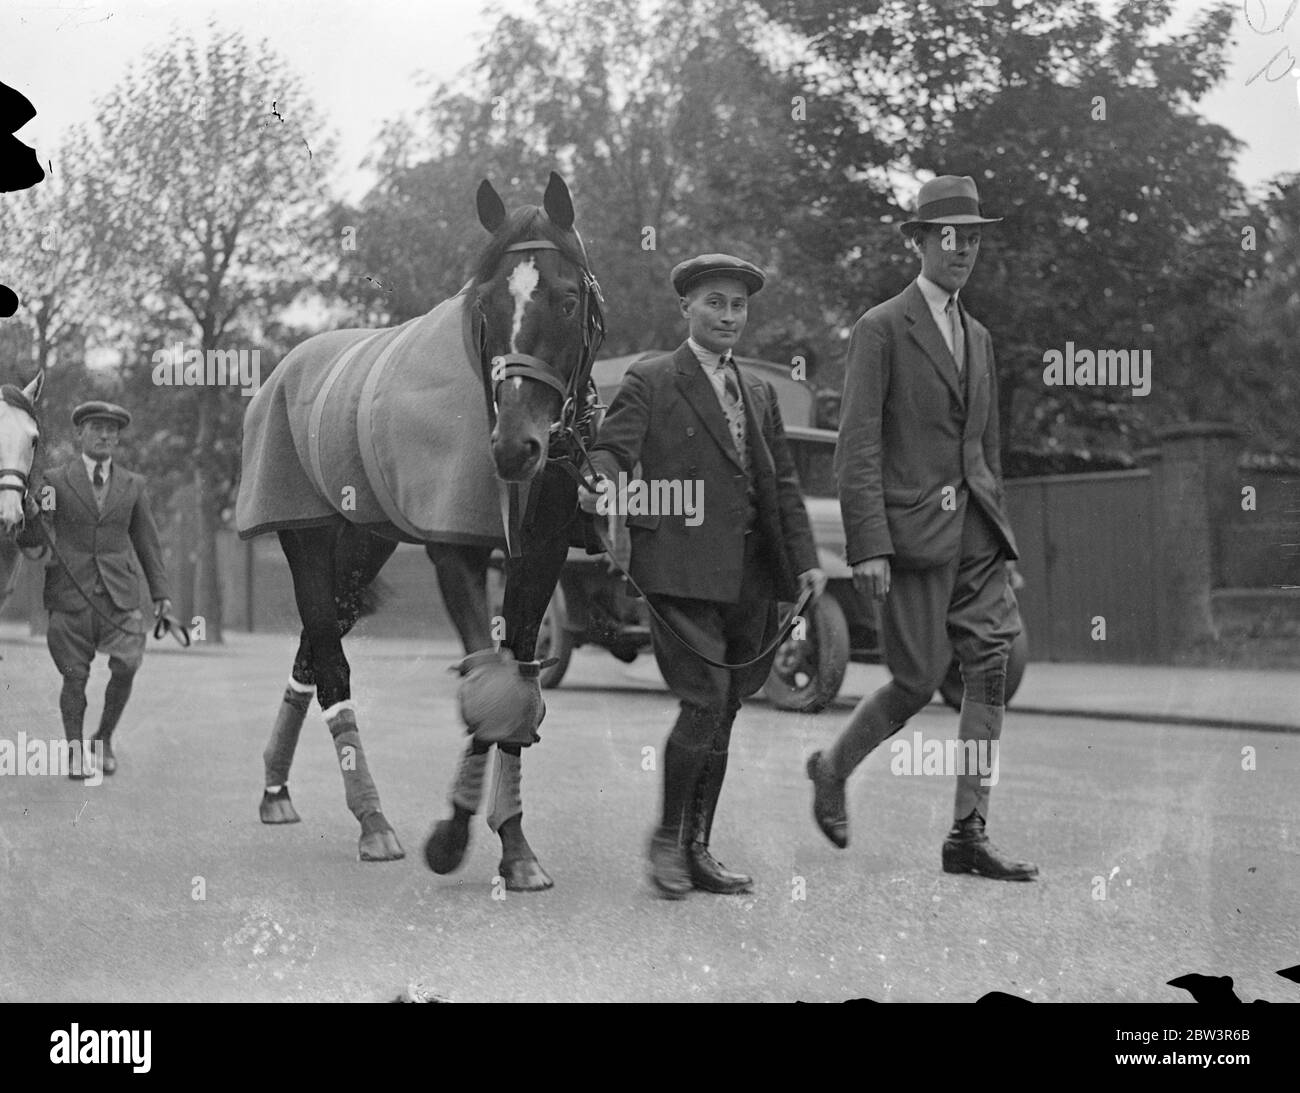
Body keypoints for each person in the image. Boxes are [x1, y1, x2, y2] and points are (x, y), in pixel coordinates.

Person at [807, 176, 1038, 880]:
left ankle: (968, 831)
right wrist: (869, 542)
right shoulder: (882, 327)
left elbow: (986, 450)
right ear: (919, 241)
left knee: (989, 671)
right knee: (913, 681)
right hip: (911, 536)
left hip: (974, 535)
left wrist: (1000, 539)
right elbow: (858, 445)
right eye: (949, 235)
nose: (962, 247)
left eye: (973, 236)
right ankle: (831, 767)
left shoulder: (981, 336)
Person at [580, 254, 826, 898]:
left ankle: (697, 847)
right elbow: (612, 449)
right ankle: (665, 839)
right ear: (686, 309)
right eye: (714, 303)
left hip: (752, 577)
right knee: (706, 700)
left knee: (728, 709)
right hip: (679, 573)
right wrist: (600, 480)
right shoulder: (654, 378)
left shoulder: (762, 392)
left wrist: (806, 562)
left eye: (738, 305)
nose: (727, 316)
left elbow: (785, 485)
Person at [18, 401, 172, 779]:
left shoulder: (133, 486)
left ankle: (102, 738)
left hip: (120, 595)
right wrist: (33, 513)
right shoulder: (55, 481)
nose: (105, 435)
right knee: (75, 677)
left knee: (128, 664)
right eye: (97, 427)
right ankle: (74, 752)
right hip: (70, 593)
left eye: (111, 429)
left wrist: (160, 594)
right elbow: (38, 535)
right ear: (80, 434)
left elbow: (147, 543)